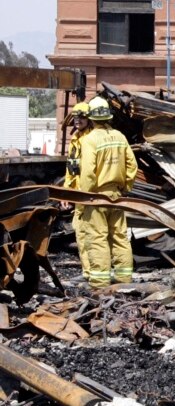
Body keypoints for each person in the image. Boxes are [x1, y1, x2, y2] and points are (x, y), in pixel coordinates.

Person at [76, 96, 138, 288]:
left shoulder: (89, 140)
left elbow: (87, 173)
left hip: (96, 197)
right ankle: (124, 280)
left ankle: (100, 284)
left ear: (91, 118)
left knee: (97, 238)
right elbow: (132, 165)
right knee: (120, 237)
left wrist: (85, 197)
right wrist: (126, 187)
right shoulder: (120, 137)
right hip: (116, 196)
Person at [63, 101, 93, 275]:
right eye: (75, 116)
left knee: (92, 234)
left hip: (91, 194)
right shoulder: (75, 139)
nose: (77, 120)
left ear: (89, 118)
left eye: (81, 116)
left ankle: (96, 272)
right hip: (79, 195)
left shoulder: (92, 138)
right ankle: (88, 272)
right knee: (80, 233)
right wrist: (66, 193)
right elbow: (70, 170)